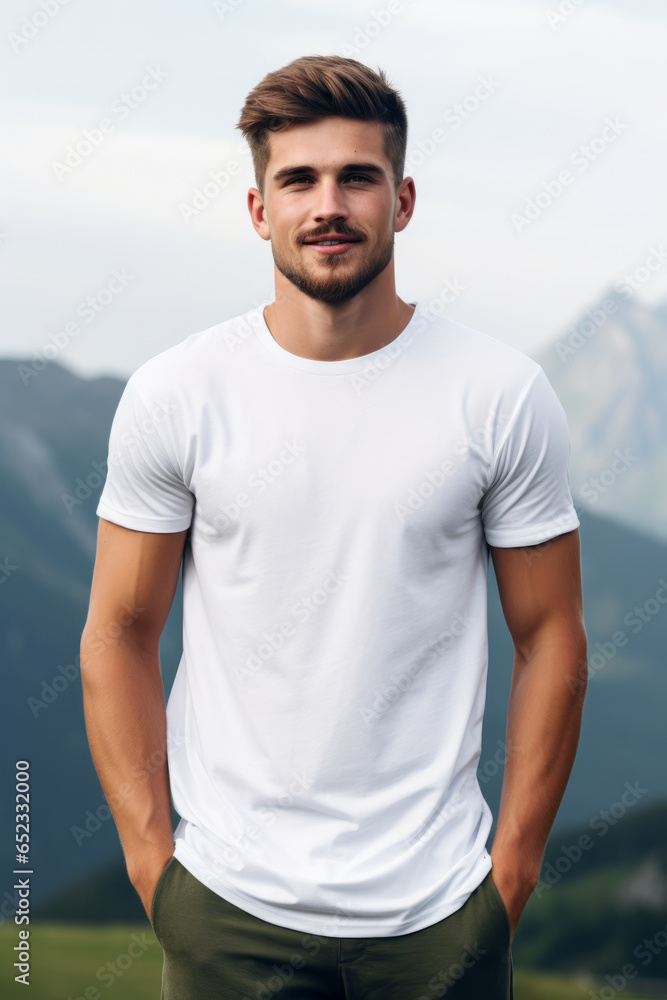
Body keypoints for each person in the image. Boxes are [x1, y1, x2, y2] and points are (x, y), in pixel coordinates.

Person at [80, 54, 587, 999]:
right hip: (227, 909)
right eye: (298, 179)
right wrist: (157, 868)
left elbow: (550, 632)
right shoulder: (178, 395)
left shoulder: (499, 396)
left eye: (356, 176)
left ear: (401, 200)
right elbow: (118, 631)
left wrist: (508, 873)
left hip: (439, 917)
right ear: (256, 207)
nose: (327, 204)